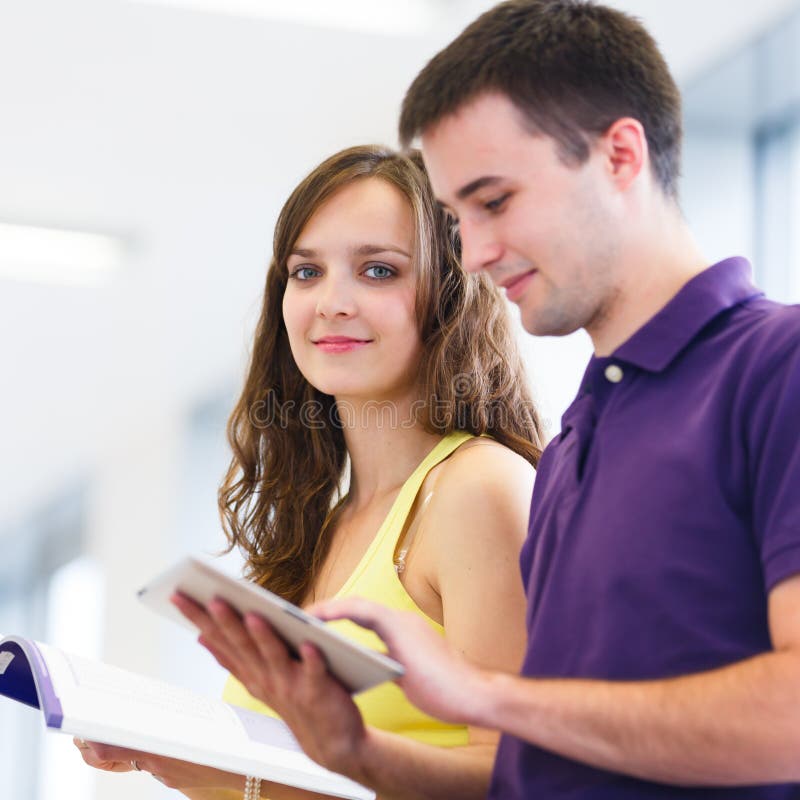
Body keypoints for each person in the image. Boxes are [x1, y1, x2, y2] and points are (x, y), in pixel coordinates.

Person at [175, 1, 800, 799]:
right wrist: (348, 754)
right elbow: (532, 776)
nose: (472, 254)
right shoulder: (580, 442)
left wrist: (485, 696)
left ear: (619, 155)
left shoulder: (777, 367)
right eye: (460, 217)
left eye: (494, 202)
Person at [76, 144, 543, 798]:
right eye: (306, 271)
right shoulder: (329, 525)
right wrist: (175, 757)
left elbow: (524, 780)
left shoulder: (478, 489)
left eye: (378, 271)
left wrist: (228, 778)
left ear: (450, 296)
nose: (332, 302)